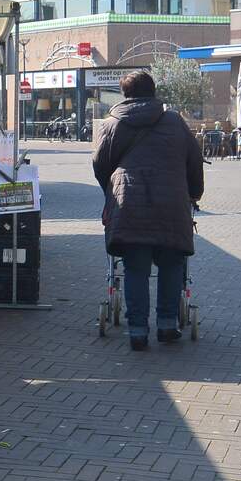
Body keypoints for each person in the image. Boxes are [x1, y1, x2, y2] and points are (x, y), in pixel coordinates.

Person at [93, 71, 204, 351]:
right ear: (154, 92)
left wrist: (111, 189)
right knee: (170, 263)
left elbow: (100, 164)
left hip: (128, 203)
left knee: (135, 268)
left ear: (125, 94)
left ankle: (138, 331)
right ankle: (167, 324)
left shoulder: (111, 125)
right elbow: (194, 161)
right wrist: (195, 194)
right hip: (172, 204)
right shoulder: (175, 122)